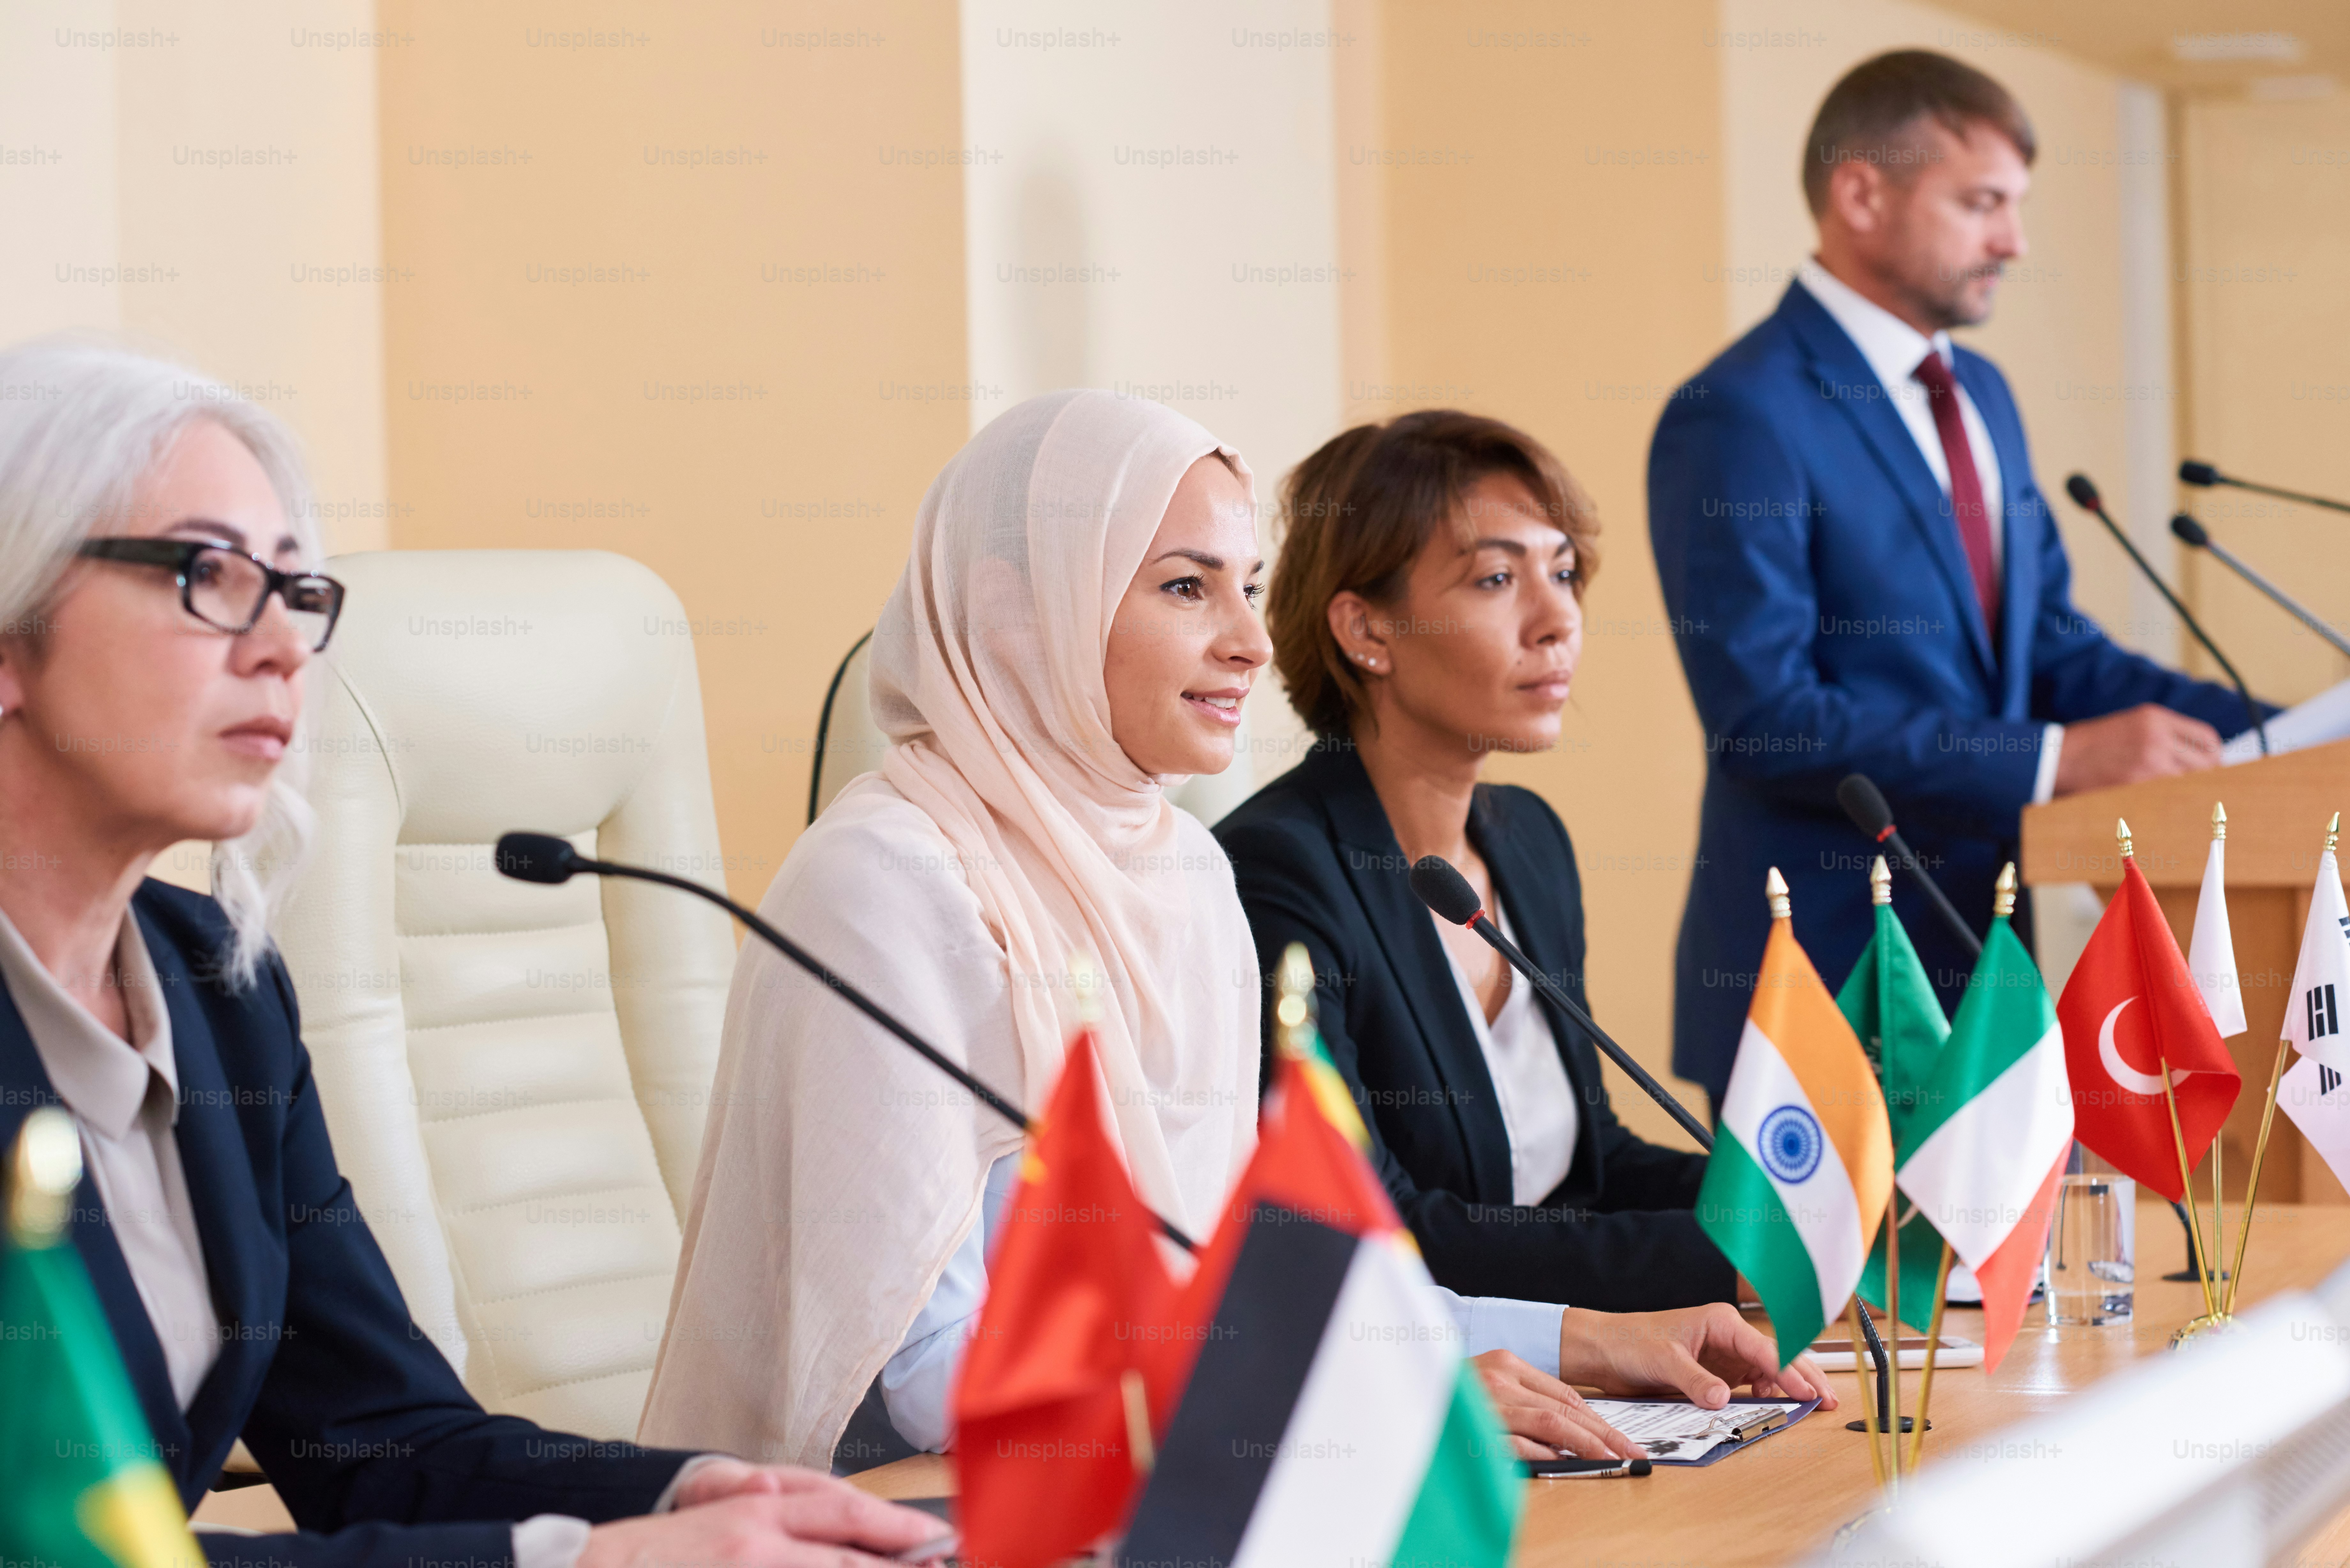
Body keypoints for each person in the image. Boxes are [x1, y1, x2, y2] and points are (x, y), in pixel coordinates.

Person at [640, 390, 1831, 1472]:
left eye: (1248, 586)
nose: (1253, 643)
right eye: (1183, 587)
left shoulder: (1180, 871)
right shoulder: (885, 886)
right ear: (1019, 612)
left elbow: (1254, 1292)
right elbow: (938, 1383)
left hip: (1180, 1473)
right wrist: (1366, 1399)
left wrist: (1573, 1343)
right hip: (934, 1512)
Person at [0, 336, 946, 1568]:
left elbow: (379, 1438)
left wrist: (704, 1496)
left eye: (298, 593)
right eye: (209, 575)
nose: (285, 646)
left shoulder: (218, 990)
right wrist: (585, 1564)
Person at [1647, 51, 2264, 1109]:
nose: (2014, 242)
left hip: (1989, 966)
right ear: (1861, 192)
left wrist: (2295, 732)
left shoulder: (1981, 392)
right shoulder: (1742, 411)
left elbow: (2054, 651)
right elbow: (1766, 717)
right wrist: (2052, 759)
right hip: (1832, 979)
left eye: (2016, 207)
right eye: (1982, 204)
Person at [1213, 411, 1733, 1312]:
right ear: (1366, 632)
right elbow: (1377, 1223)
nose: (1558, 620)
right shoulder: (1276, 874)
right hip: (1423, 1394)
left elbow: (1591, 1162)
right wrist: (1729, 1260)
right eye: (1497, 578)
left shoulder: (1529, 839)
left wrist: (1803, 1213)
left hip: (1577, 1383)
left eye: (1564, 573)